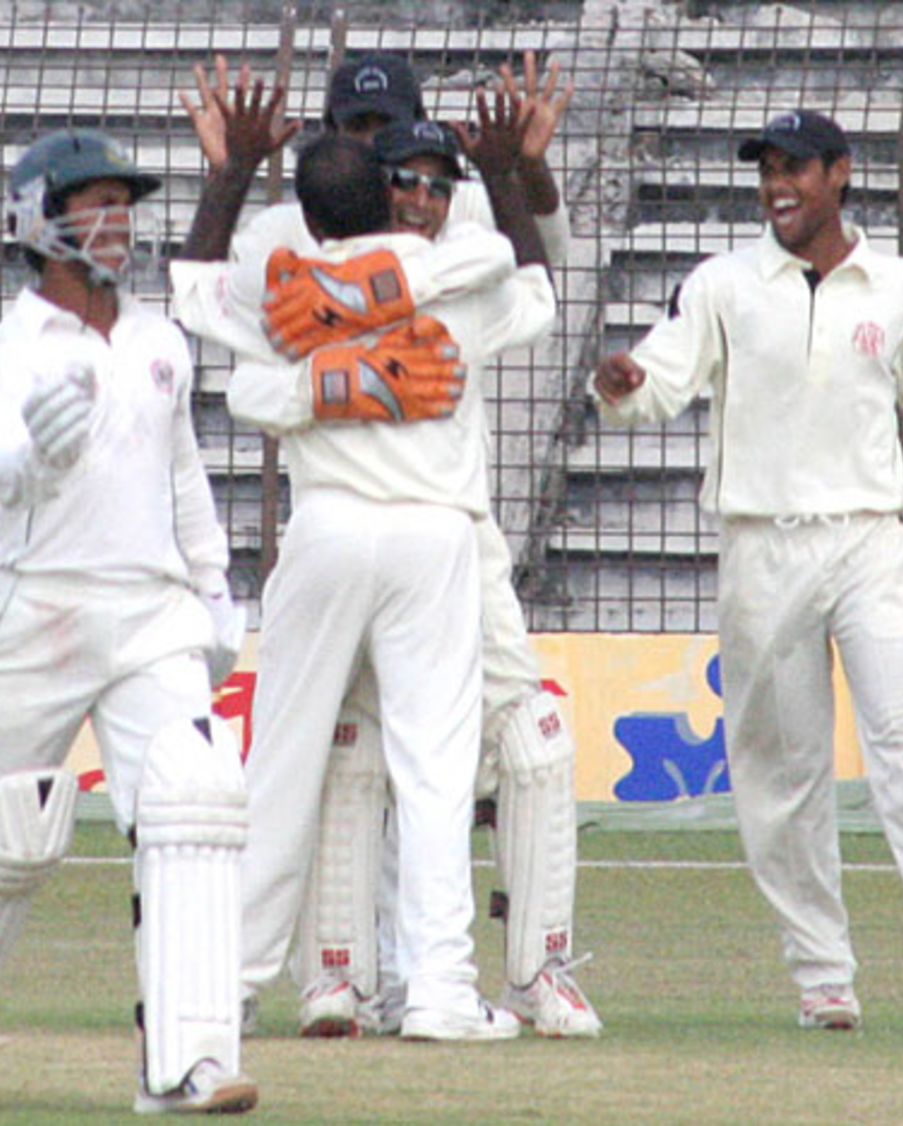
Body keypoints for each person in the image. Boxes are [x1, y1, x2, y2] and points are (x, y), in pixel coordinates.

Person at [592, 109, 903, 1031]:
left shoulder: (894, 285)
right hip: (762, 541)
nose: (777, 185)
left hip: (868, 536)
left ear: (840, 175)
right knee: (782, 768)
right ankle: (823, 977)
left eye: (795, 170)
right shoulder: (724, 283)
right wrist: (622, 388)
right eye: (767, 169)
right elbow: (661, 377)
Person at [174, 52, 602, 1040]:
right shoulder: (446, 258)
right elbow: (523, 280)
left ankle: (226, 982)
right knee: (435, 763)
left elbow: (198, 301)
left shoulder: (282, 275)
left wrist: (233, 175)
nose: (413, 187)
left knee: (282, 761)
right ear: (383, 192)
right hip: (431, 532)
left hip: (325, 526)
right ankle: (443, 990)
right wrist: (492, 185)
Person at [0, 128, 255, 1114]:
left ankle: (189, 1062)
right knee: (3, 835)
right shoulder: (15, 349)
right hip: (35, 608)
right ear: (39, 220)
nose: (116, 217)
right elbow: (2, 474)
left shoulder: (159, 339)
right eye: (94, 201)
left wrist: (211, 586)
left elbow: (182, 475)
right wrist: (41, 452)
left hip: (148, 613)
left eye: (123, 200)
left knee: (194, 800)